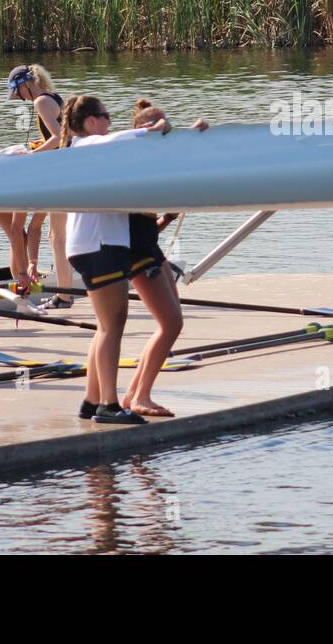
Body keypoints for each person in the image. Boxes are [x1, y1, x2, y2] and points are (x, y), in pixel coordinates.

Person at [58, 95, 162, 425]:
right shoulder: (87, 145)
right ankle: (109, 405)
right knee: (113, 326)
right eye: (105, 116)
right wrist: (155, 130)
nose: (110, 123)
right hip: (98, 244)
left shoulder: (85, 148)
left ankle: (92, 401)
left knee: (107, 326)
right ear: (90, 122)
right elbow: (121, 138)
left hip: (99, 243)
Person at [122, 99, 209, 417]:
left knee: (172, 323)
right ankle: (142, 396)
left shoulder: (152, 166)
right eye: (158, 127)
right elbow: (161, 136)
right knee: (170, 325)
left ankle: (133, 394)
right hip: (137, 255)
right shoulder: (133, 159)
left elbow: (149, 228)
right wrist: (186, 133)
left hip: (150, 249)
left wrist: (168, 218)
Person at [6, 64, 72, 306]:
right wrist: (39, 144)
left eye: (19, 92)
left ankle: (65, 295)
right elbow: (58, 135)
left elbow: (59, 138)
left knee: (57, 237)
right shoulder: (54, 97)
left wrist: (31, 156)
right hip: (66, 168)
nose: (21, 99)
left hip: (59, 173)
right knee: (56, 235)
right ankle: (65, 291)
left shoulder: (40, 102)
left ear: (25, 84)